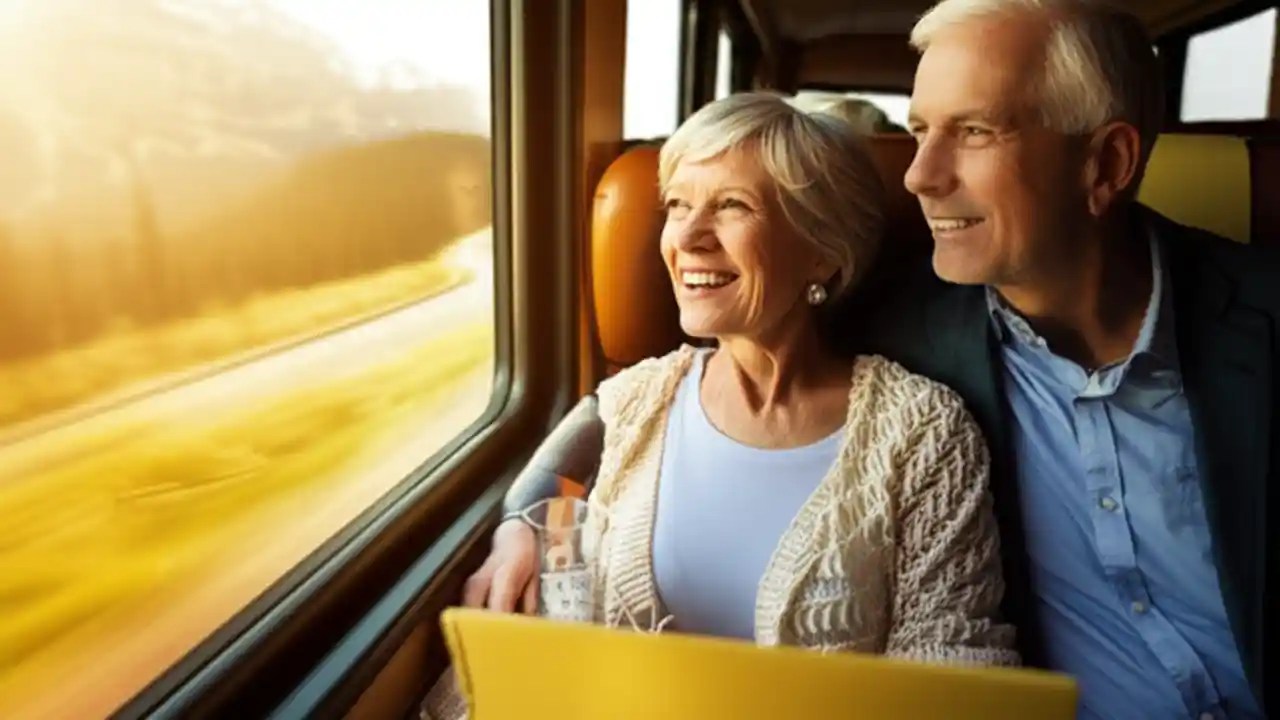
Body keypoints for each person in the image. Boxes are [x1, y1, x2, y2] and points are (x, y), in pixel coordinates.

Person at [465, 1, 1279, 718]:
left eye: (974, 130)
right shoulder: (904, 319)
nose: (920, 178)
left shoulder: (914, 409)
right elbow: (608, 414)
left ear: (1104, 164)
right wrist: (521, 525)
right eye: (920, 130)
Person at [471, 90, 1018, 661]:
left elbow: (951, 652)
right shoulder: (639, 398)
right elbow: (562, 477)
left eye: (732, 205)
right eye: (677, 206)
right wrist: (521, 531)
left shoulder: (923, 433)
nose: (687, 238)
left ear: (822, 253)